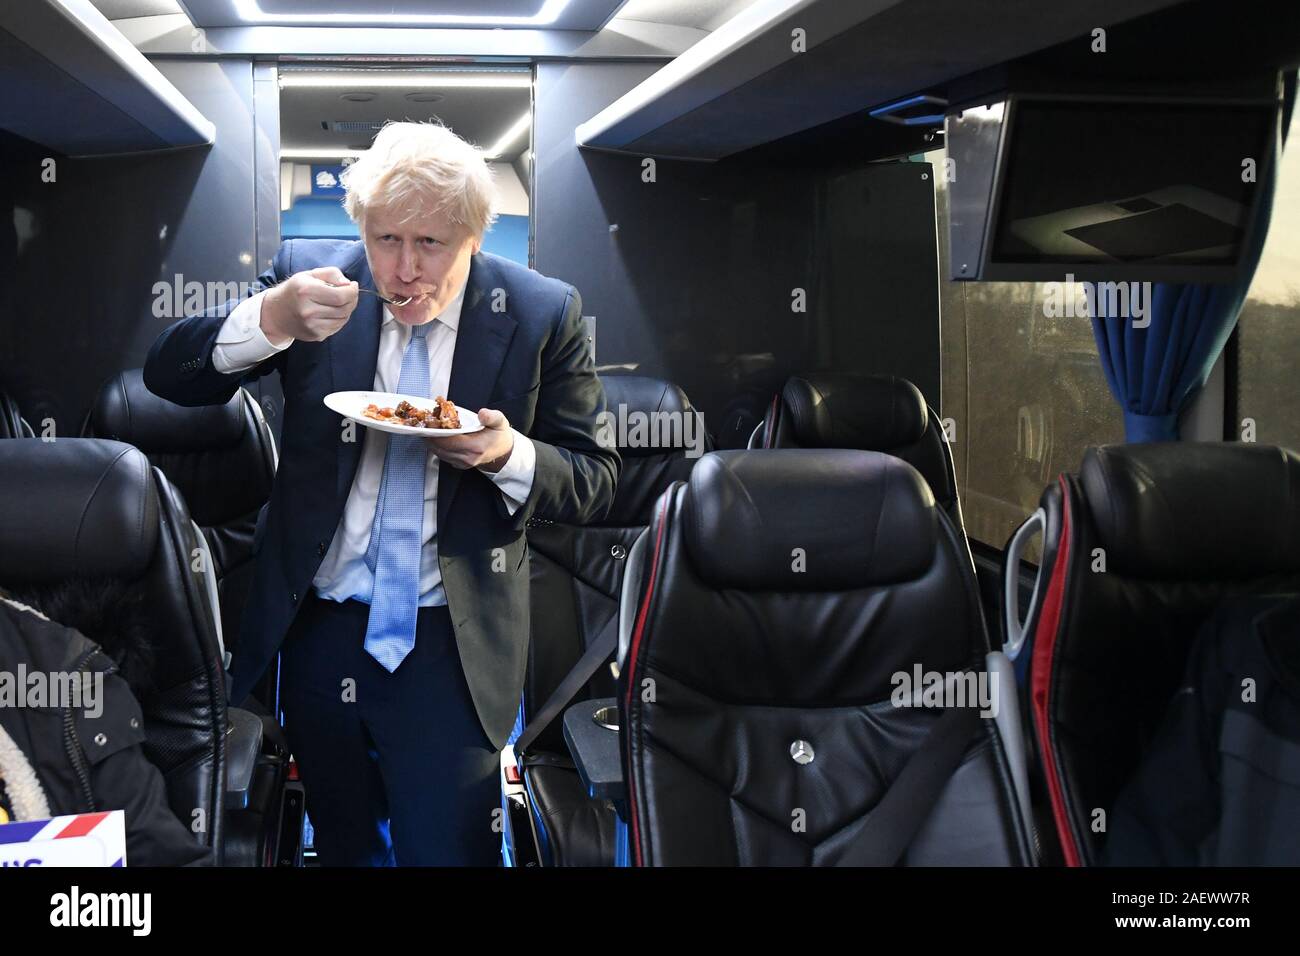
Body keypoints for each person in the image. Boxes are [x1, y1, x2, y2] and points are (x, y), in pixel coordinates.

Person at [142, 122, 619, 865]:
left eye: (430, 244)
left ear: (472, 236)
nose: (402, 270)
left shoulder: (538, 311)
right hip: (319, 625)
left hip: (450, 640)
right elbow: (168, 376)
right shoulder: (312, 278)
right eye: (385, 239)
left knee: (448, 849)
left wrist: (505, 454)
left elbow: (595, 479)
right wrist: (270, 320)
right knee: (341, 843)